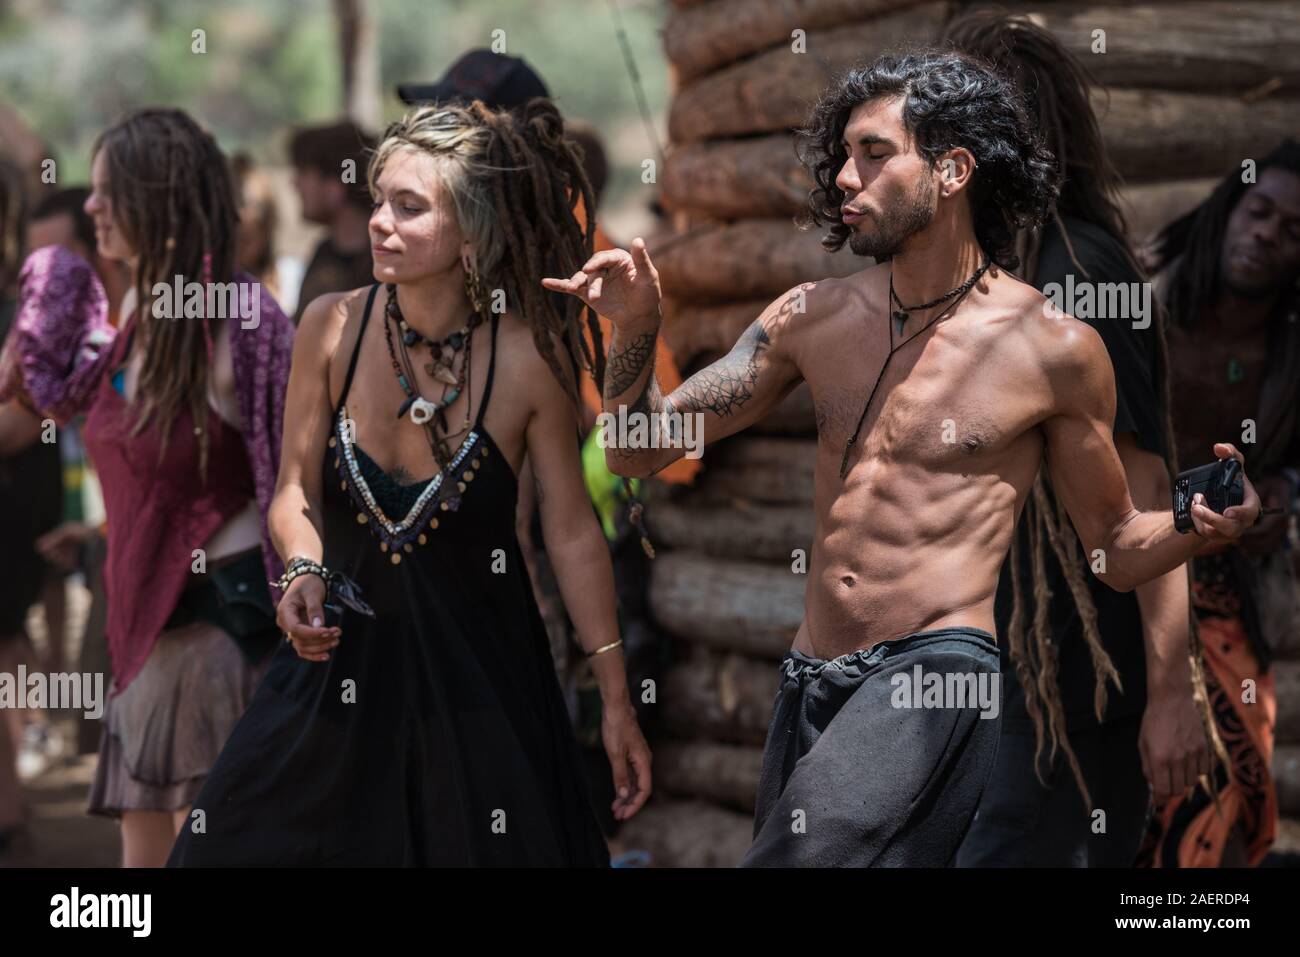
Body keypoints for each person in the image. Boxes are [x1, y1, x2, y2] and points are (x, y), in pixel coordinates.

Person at [545, 50, 1263, 867]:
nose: (844, 178)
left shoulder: (1051, 348)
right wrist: (635, 327)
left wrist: (1194, 526)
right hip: (811, 679)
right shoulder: (808, 318)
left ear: (953, 170)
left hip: (931, 677)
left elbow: (1115, 548)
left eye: (875, 154)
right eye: (843, 155)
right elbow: (637, 450)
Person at [168, 99, 651, 867]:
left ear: (472, 231)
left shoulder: (527, 359)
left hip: (480, 686)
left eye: (409, 206)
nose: (379, 223)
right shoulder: (330, 327)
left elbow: (571, 533)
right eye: (377, 201)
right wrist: (301, 567)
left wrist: (616, 698)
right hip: (336, 672)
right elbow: (292, 488)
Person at [944, 12, 1208, 867]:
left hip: (1073, 694)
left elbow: (1148, 490)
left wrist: (1174, 691)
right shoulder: (987, 275)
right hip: (1002, 685)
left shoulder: (1078, 274)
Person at [0, 108, 295, 867]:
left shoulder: (243, 322)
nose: (92, 206)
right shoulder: (139, 314)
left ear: (158, 196)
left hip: (225, 638)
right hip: (148, 640)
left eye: (109, 191)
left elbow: (294, 482)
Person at [1138, 139, 1300, 867]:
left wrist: (1284, 492)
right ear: (1230, 208)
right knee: (1129, 782)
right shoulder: (1145, 301)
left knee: (1232, 779)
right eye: (1259, 211)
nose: (1267, 234)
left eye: (1292, 229)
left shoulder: (1290, 346)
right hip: (1127, 573)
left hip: (1228, 588)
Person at [288, 121, 376, 324]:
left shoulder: (384, 266)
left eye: (304, 172)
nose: (295, 183)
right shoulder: (324, 251)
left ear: (334, 187)